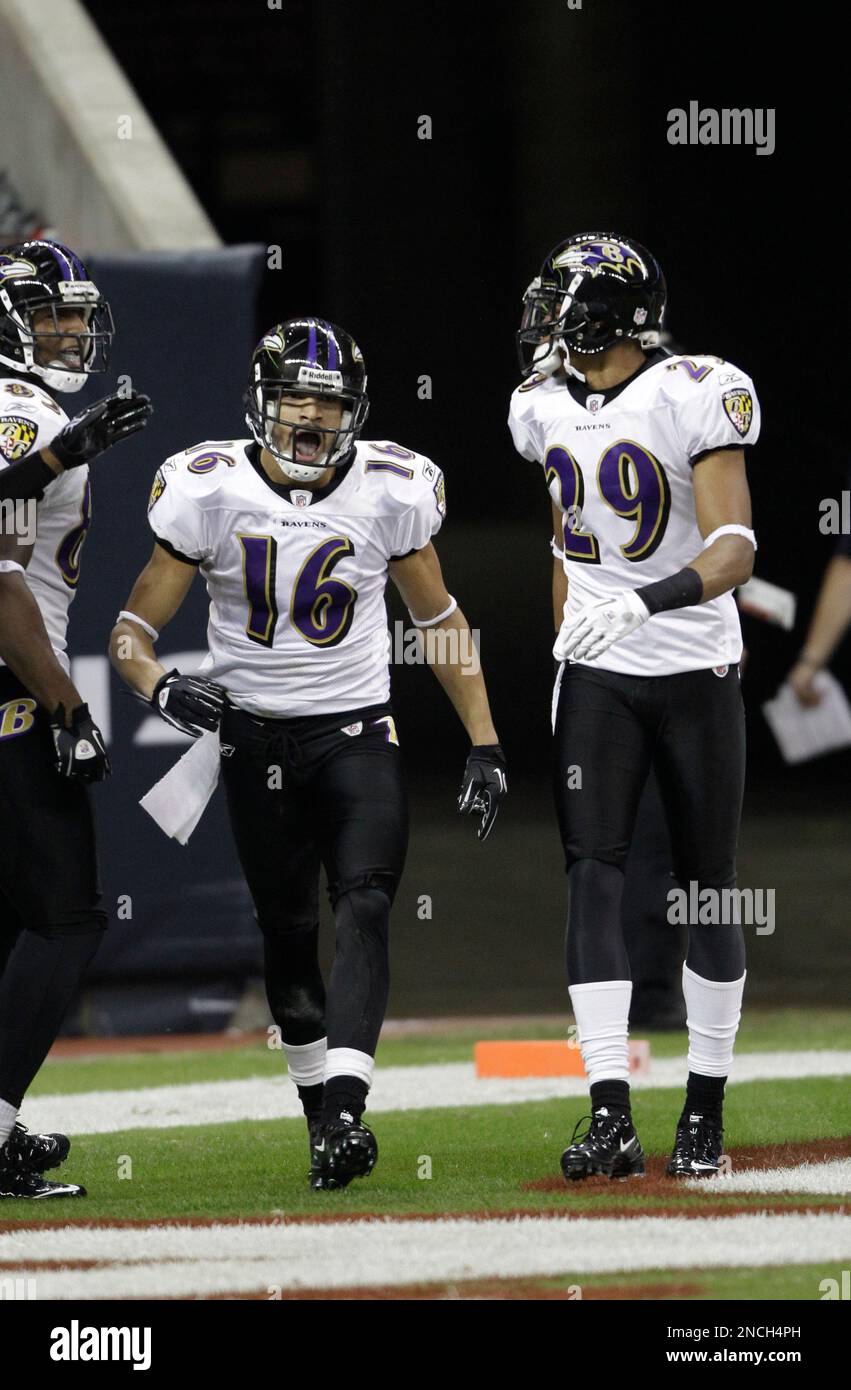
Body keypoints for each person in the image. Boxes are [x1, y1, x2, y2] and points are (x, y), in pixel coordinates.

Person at [110, 317, 507, 1190]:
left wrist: (483, 739)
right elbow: (132, 632)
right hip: (256, 744)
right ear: (262, 398)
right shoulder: (206, 488)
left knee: (364, 905)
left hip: (358, 733)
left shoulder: (389, 488)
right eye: (297, 396)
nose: (313, 418)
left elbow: (437, 622)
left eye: (329, 403)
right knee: (288, 939)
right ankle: (321, 1124)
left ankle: (344, 1117)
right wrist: (163, 687)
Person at [510, 233, 760, 1180]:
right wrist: (566, 645)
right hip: (601, 676)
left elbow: (733, 548)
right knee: (591, 874)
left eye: (560, 299)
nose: (542, 317)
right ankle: (608, 1111)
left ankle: (704, 1108)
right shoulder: (537, 405)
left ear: (609, 311)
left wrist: (638, 603)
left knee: (708, 882)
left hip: (693, 665)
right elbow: (562, 547)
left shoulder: (694, 388)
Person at [0, 239, 151, 1198]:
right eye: (50, 313)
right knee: (66, 916)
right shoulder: (17, 410)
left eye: (75, 314)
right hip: (9, 690)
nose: (69, 330)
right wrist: (63, 705)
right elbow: (3, 581)